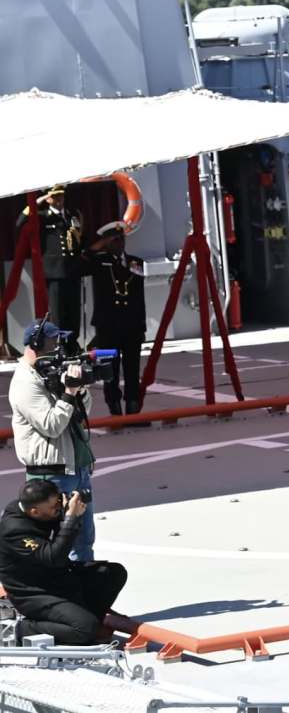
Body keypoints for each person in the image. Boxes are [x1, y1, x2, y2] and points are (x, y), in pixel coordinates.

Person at [0, 479, 135, 645]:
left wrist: (65, 511)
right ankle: (22, 628)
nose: (58, 508)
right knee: (85, 629)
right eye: (53, 508)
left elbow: (58, 546)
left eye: (58, 501)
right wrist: (70, 519)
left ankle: (85, 618)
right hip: (34, 593)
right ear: (34, 512)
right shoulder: (14, 530)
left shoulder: (38, 509)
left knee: (113, 573)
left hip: (56, 578)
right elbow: (54, 558)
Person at [8, 320, 97, 561]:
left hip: (76, 468)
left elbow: (82, 413)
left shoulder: (49, 371)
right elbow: (51, 425)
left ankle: (84, 595)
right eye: (53, 342)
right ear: (36, 345)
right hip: (52, 474)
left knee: (84, 540)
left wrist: (79, 390)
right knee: (59, 543)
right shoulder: (25, 382)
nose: (59, 347)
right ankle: (62, 594)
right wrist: (68, 393)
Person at [84, 222, 146, 416]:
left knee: (132, 368)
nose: (120, 243)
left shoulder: (136, 262)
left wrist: (142, 324)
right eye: (115, 240)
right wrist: (99, 245)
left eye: (121, 239)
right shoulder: (99, 262)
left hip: (131, 325)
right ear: (107, 243)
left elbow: (139, 296)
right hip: (107, 326)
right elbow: (81, 260)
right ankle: (114, 406)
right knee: (109, 368)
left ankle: (133, 406)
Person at [24, 188, 86, 338]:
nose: (59, 200)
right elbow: (21, 221)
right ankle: (61, 345)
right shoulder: (42, 216)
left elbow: (79, 241)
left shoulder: (72, 216)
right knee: (58, 312)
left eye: (61, 196)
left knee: (73, 311)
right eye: (55, 196)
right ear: (48, 198)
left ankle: (72, 343)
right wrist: (36, 202)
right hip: (55, 272)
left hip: (72, 271)